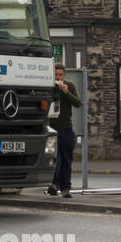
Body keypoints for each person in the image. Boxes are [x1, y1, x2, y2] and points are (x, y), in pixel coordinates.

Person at [47, 63, 81, 197]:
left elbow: (77, 103)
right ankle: (54, 184)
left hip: (66, 128)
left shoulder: (70, 85)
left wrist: (66, 92)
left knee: (67, 159)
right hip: (52, 128)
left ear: (64, 75)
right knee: (56, 159)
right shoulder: (48, 86)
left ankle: (66, 188)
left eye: (60, 75)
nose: (58, 77)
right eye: (56, 75)